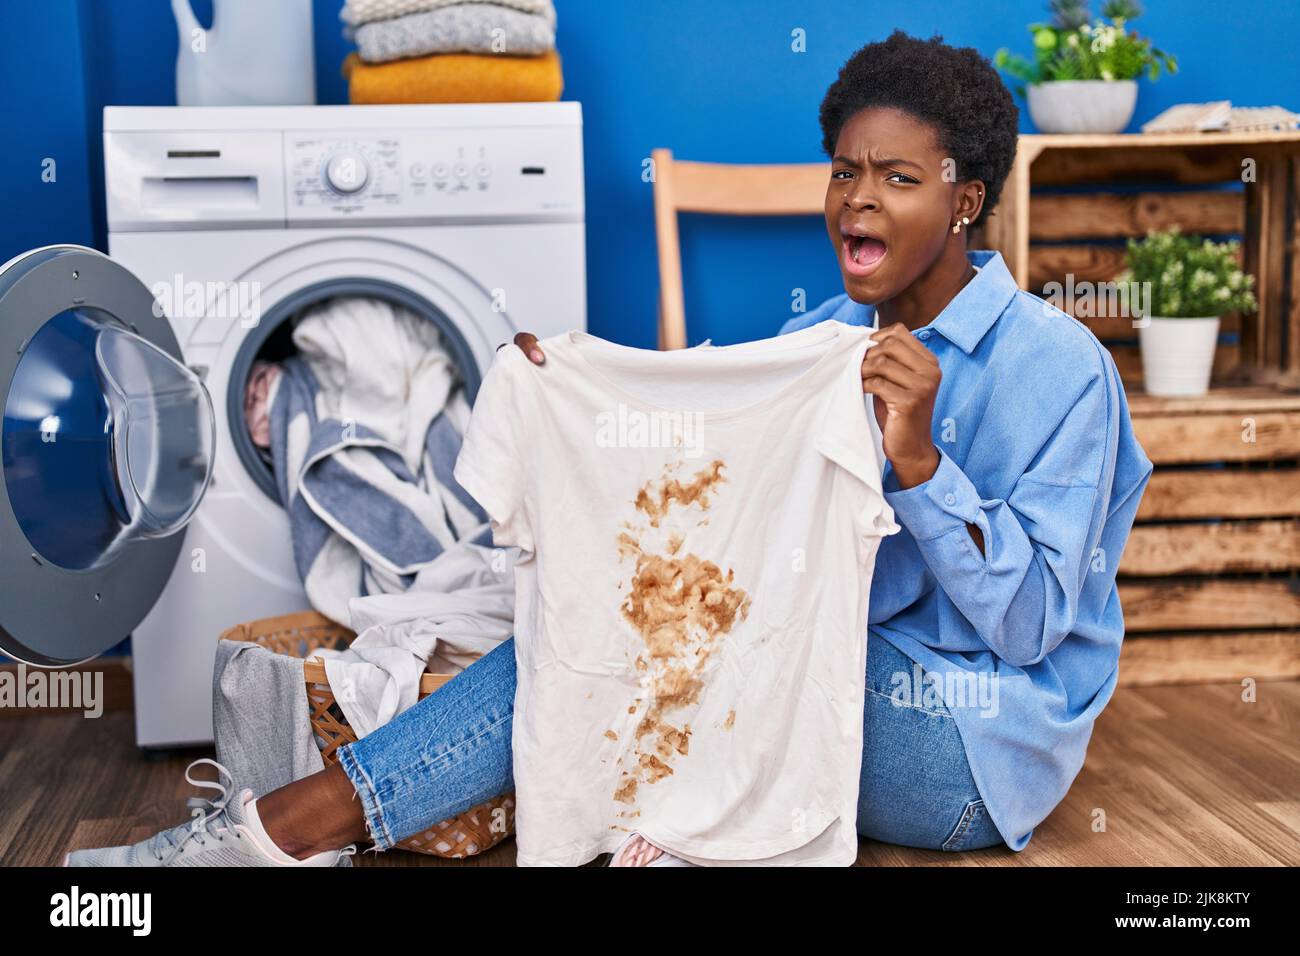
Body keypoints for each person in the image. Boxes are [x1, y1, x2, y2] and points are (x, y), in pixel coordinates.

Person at [63, 29, 1152, 868]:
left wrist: (920, 465)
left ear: (966, 198)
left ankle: (274, 832)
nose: (857, 197)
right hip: (803, 689)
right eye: (842, 170)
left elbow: (1029, 629)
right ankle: (295, 829)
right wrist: (569, 383)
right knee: (608, 611)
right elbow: (687, 446)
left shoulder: (1057, 368)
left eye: (898, 178)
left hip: (967, 749)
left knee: (671, 648)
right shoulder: (815, 343)